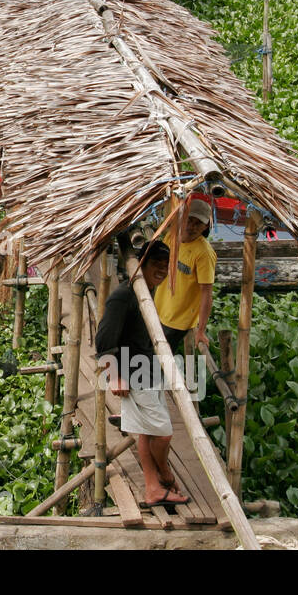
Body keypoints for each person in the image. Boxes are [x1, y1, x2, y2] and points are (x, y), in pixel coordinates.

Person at [96, 241, 189, 507]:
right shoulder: (124, 296)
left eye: (165, 265)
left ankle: (152, 489)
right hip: (134, 374)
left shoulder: (147, 292)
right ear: (141, 265)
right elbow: (103, 341)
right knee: (163, 434)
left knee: (147, 433)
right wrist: (114, 375)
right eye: (155, 264)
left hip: (148, 371)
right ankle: (165, 474)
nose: (161, 270)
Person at [154, 198, 217, 351]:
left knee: (157, 360)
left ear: (206, 226)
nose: (192, 227)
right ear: (183, 218)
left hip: (178, 320)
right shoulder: (172, 236)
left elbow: (206, 293)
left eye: (198, 224)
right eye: (190, 220)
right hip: (158, 308)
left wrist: (200, 331)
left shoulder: (204, 253)